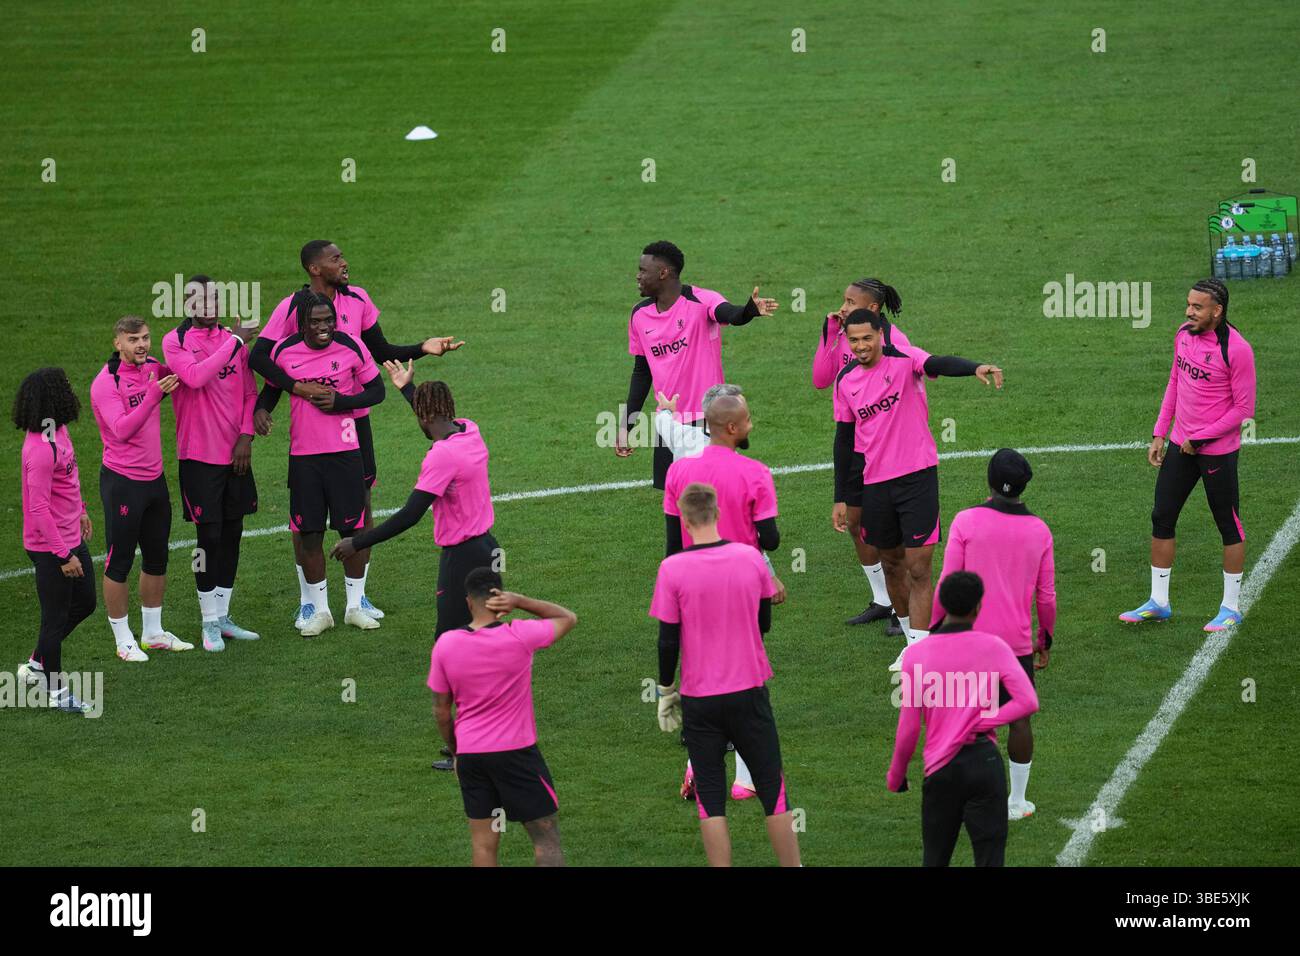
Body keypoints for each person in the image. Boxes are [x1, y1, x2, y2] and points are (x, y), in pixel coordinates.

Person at [250, 240, 464, 628]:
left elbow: (377, 350)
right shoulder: (291, 308)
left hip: (352, 422)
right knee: (306, 520)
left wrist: (422, 348)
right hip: (311, 431)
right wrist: (284, 396)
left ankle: (357, 598)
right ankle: (310, 602)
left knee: (360, 501)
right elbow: (267, 357)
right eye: (335, 259)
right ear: (315, 268)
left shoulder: (358, 299)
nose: (344, 263)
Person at [331, 363, 497, 771]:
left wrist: (357, 541)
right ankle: (484, 739)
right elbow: (435, 419)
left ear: (425, 417)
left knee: (450, 650)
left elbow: (409, 515)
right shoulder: (470, 431)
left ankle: (467, 753)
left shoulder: (441, 458)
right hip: (488, 552)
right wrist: (411, 391)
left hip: (461, 560)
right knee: (483, 648)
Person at [831, 308, 1004, 671]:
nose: (861, 346)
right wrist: (842, 497)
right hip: (874, 484)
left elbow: (938, 362)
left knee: (919, 567)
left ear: (881, 334)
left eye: (867, 338)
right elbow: (845, 441)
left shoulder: (905, 361)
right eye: (854, 339)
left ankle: (926, 653)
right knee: (892, 564)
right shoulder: (845, 380)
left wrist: (974, 367)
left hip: (917, 477)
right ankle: (913, 645)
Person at [651, 482, 800, 867]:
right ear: (717, 513)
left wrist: (667, 690)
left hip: (700, 697)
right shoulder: (749, 559)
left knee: (711, 800)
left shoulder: (672, 568)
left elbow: (667, 640)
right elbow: (763, 619)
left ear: (683, 519)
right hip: (748, 688)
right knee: (773, 790)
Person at [1120, 278, 1256, 632]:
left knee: (1228, 525)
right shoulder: (1183, 334)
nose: (1188, 311)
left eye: (1197, 307)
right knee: (1162, 516)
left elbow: (1243, 408)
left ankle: (1230, 607)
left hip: (1216, 453)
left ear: (1217, 311)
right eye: (1188, 304)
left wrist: (1201, 437)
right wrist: (1159, 433)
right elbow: (1175, 383)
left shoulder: (1237, 349)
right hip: (1181, 445)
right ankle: (1159, 602)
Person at [930, 449, 1056, 821]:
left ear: (988, 481)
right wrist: (1044, 639)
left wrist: (935, 629)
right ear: (1024, 486)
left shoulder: (966, 522)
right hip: (1013, 646)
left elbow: (947, 584)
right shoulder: (1039, 531)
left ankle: (963, 797)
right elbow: (1046, 597)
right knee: (1019, 719)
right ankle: (1016, 801)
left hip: (966, 642)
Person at [887, 571, 1039, 867]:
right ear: (978, 608)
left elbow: (908, 728)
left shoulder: (917, 655)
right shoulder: (993, 646)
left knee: (935, 858)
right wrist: (984, 722)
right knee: (989, 858)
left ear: (940, 605)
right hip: (984, 764)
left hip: (941, 771)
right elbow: (1027, 701)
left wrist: (897, 775)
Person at [427, 568, 577, 866]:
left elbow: (442, 712)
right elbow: (567, 618)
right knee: (546, 841)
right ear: (500, 597)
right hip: (516, 753)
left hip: (472, 756)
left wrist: (458, 753)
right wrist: (520, 601)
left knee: (483, 847)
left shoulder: (446, 644)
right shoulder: (520, 635)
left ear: (469, 601)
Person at [265, 290, 385, 637]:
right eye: (316, 322)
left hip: (346, 453)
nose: (324, 327)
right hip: (304, 457)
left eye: (328, 320)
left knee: (352, 531)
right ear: (302, 324)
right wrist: (260, 411)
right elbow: (273, 388)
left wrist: (342, 401)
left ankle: (354, 606)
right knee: (309, 533)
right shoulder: (284, 351)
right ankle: (320, 611)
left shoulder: (351, 346)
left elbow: (377, 391)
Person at [615, 240, 778, 490]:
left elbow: (729, 313)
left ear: (663, 273)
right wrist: (627, 425)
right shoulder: (639, 315)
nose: (637, 276)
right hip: (668, 421)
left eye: (642, 270)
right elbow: (642, 371)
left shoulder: (702, 301)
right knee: (676, 501)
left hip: (707, 420)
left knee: (712, 498)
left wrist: (748, 311)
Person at [162, 276, 262, 652]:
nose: (208, 304)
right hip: (198, 458)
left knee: (233, 532)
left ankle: (223, 616)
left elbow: (250, 392)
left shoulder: (232, 341)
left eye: (214, 298)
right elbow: (195, 377)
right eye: (199, 299)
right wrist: (236, 340)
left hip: (235, 455)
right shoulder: (176, 341)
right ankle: (207, 623)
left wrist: (246, 436)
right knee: (208, 537)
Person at [89, 316, 190, 659]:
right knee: (119, 562)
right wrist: (152, 396)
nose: (142, 345)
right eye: (133, 340)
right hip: (123, 483)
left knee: (157, 557)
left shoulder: (152, 369)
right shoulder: (106, 382)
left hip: (154, 480)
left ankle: (153, 632)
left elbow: (183, 373)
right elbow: (121, 430)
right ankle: (122, 640)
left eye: (146, 338)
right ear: (118, 343)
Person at [813, 279, 909, 634]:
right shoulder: (845, 335)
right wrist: (829, 333)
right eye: (843, 298)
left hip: (886, 452)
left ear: (872, 309)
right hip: (854, 445)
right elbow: (822, 379)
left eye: (850, 301)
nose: (842, 305)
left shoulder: (895, 342)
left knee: (890, 536)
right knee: (855, 523)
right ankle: (883, 600)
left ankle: (907, 612)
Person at [14, 368, 97, 714]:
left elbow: (69, 478)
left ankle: (38, 662)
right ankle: (56, 691)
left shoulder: (58, 431)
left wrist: (81, 510)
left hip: (70, 536)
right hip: (50, 549)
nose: (70, 390)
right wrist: (63, 556)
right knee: (54, 619)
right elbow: (37, 509)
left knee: (86, 603)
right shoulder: (40, 451)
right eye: (63, 388)